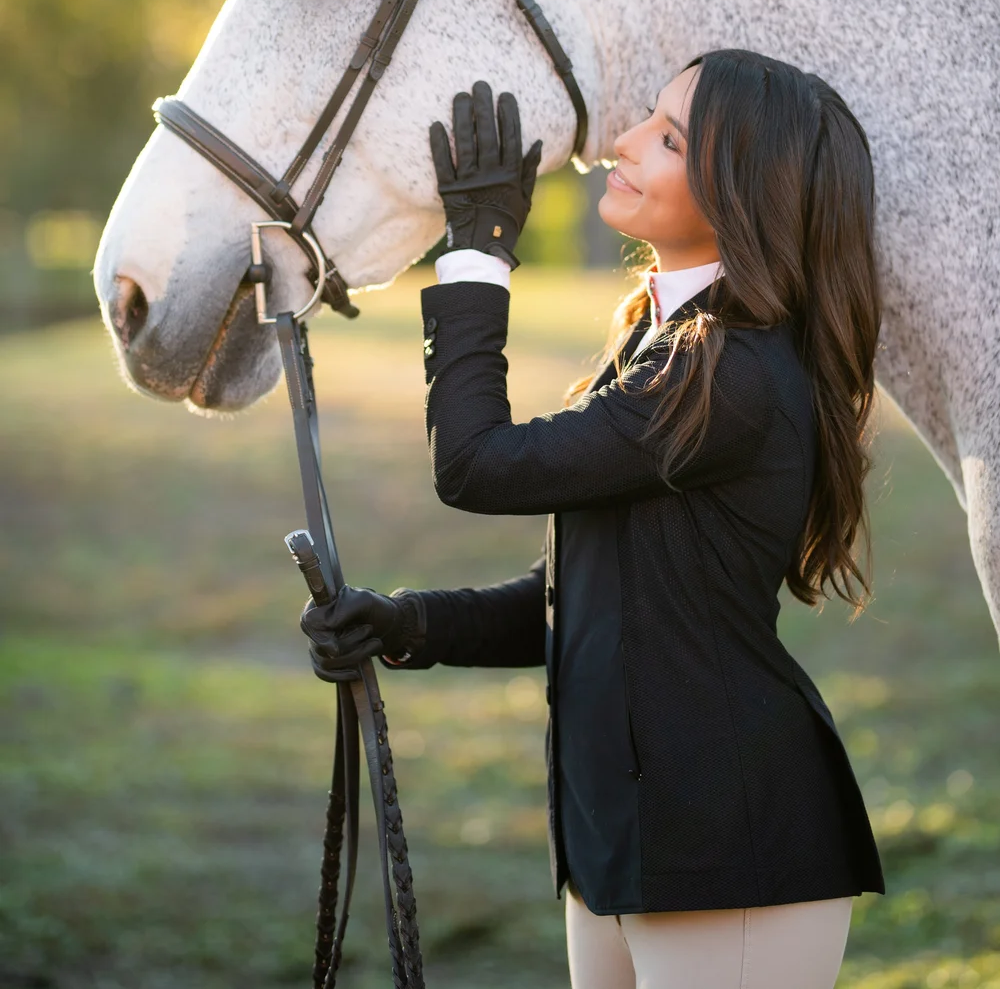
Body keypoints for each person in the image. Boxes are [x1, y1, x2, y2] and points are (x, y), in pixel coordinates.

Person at [300, 48, 887, 989]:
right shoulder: (665, 344)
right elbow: (590, 601)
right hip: (622, 838)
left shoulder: (732, 373)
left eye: (667, 137)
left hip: (725, 841)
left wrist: (478, 253)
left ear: (743, 188)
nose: (624, 142)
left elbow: (476, 463)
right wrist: (409, 622)